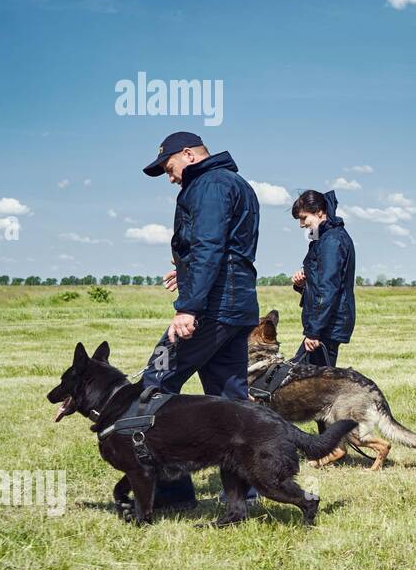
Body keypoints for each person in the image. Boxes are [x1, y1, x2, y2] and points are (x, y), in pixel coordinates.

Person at [139, 131, 261, 510]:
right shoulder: (235, 183)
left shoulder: (208, 185)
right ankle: (244, 494)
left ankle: (171, 494)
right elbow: (224, 249)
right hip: (237, 308)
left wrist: (189, 305)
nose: (170, 177)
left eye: (169, 167)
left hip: (211, 309)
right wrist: (186, 270)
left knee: (153, 384)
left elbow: (209, 245)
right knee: (230, 402)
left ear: (188, 155)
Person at [290, 190, 356, 367]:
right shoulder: (325, 239)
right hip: (325, 325)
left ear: (319, 211)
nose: (301, 224)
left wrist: (314, 332)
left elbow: (328, 288)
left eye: (304, 218)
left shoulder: (332, 241)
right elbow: (321, 283)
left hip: (327, 326)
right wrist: (302, 284)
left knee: (305, 384)